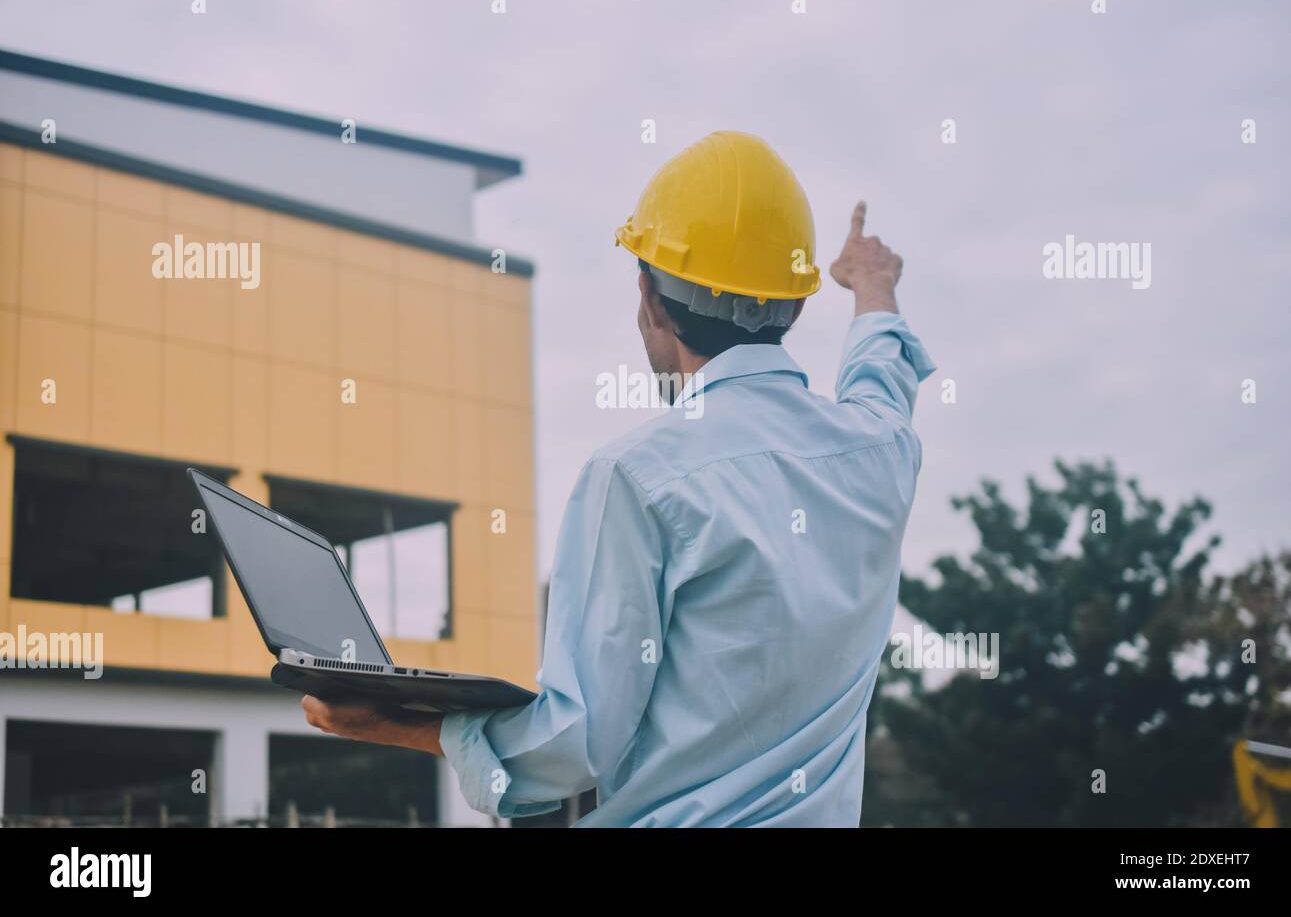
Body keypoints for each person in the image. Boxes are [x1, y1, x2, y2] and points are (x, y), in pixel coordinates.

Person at [301, 131, 935, 826]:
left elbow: (578, 744)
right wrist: (873, 286)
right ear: (798, 304)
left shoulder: (636, 478)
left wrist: (389, 725)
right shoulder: (878, 452)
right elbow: (883, 381)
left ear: (650, 300)